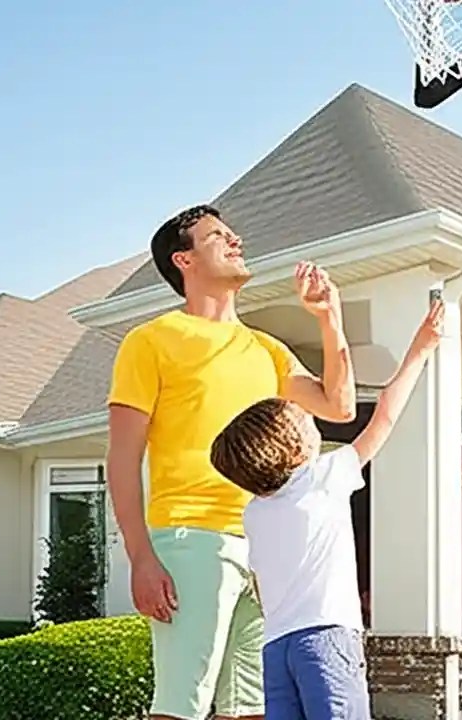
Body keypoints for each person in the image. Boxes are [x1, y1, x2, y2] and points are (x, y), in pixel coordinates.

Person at [106, 204, 357, 720]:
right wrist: (141, 557)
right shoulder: (150, 341)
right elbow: (123, 458)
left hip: (264, 545)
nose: (236, 240)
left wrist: (329, 317)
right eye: (217, 236)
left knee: (250, 708)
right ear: (184, 260)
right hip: (189, 538)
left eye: (233, 233)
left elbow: (339, 406)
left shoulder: (266, 350)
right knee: (181, 704)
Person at [208, 299, 446, 720]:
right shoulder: (323, 478)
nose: (311, 417)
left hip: (276, 649)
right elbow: (385, 416)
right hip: (326, 639)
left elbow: (262, 590)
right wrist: (420, 349)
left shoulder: (255, 512)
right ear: (292, 445)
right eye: (302, 417)